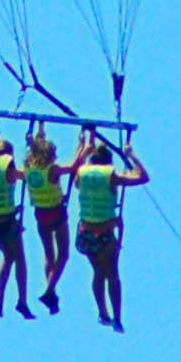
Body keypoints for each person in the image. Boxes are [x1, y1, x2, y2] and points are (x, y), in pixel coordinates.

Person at [69, 126, 143, 329]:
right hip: (104, 235)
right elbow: (142, 177)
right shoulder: (111, 176)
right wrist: (131, 155)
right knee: (112, 275)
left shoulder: (80, 175)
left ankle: (102, 312)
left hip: (85, 235)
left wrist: (84, 145)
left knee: (98, 272)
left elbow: (77, 173)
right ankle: (117, 317)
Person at [0, 120, 34, 317]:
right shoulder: (8, 168)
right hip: (5, 222)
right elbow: (28, 176)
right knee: (19, 258)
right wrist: (31, 151)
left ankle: (0, 299)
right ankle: (22, 300)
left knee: (8, 256)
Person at [19, 126, 71, 315]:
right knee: (63, 254)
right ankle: (49, 290)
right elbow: (73, 166)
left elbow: (36, 149)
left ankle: (51, 290)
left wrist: (40, 132)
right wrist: (84, 146)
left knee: (49, 254)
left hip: (40, 213)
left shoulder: (28, 167)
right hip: (56, 212)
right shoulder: (53, 170)